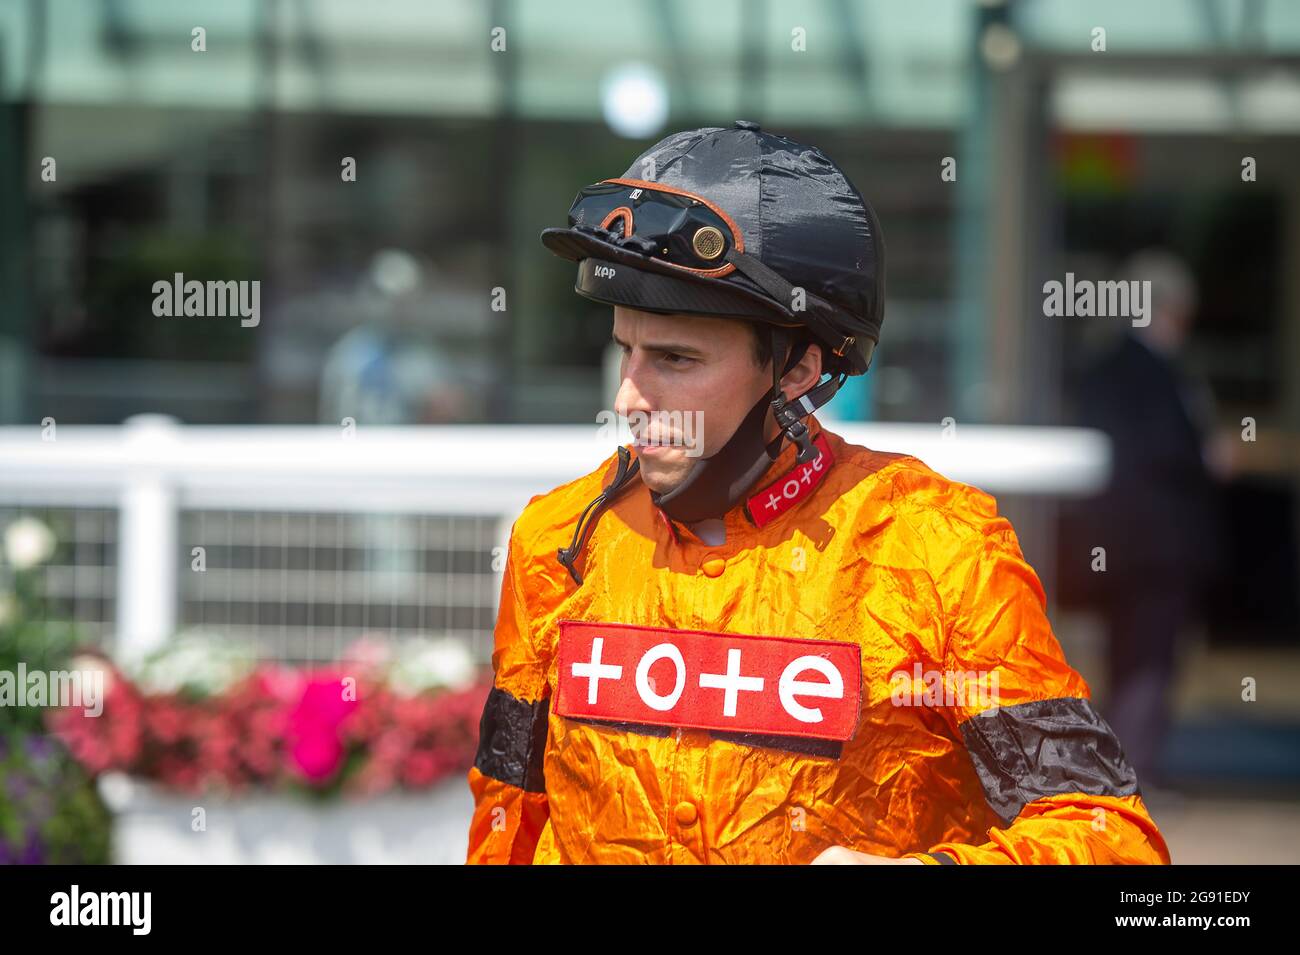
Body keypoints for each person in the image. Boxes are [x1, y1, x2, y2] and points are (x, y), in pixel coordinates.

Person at [465, 122, 1170, 864]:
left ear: (798, 370)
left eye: (675, 358)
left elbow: (1109, 834)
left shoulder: (938, 550)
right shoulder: (555, 540)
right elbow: (506, 828)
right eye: (626, 351)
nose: (630, 396)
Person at [1070, 250, 1226, 796]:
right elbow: (1167, 450)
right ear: (1174, 311)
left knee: (1126, 658)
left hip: (1115, 546)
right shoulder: (1156, 373)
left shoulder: (1103, 367)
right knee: (1147, 664)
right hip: (1157, 548)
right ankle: (1132, 779)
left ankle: (1117, 775)